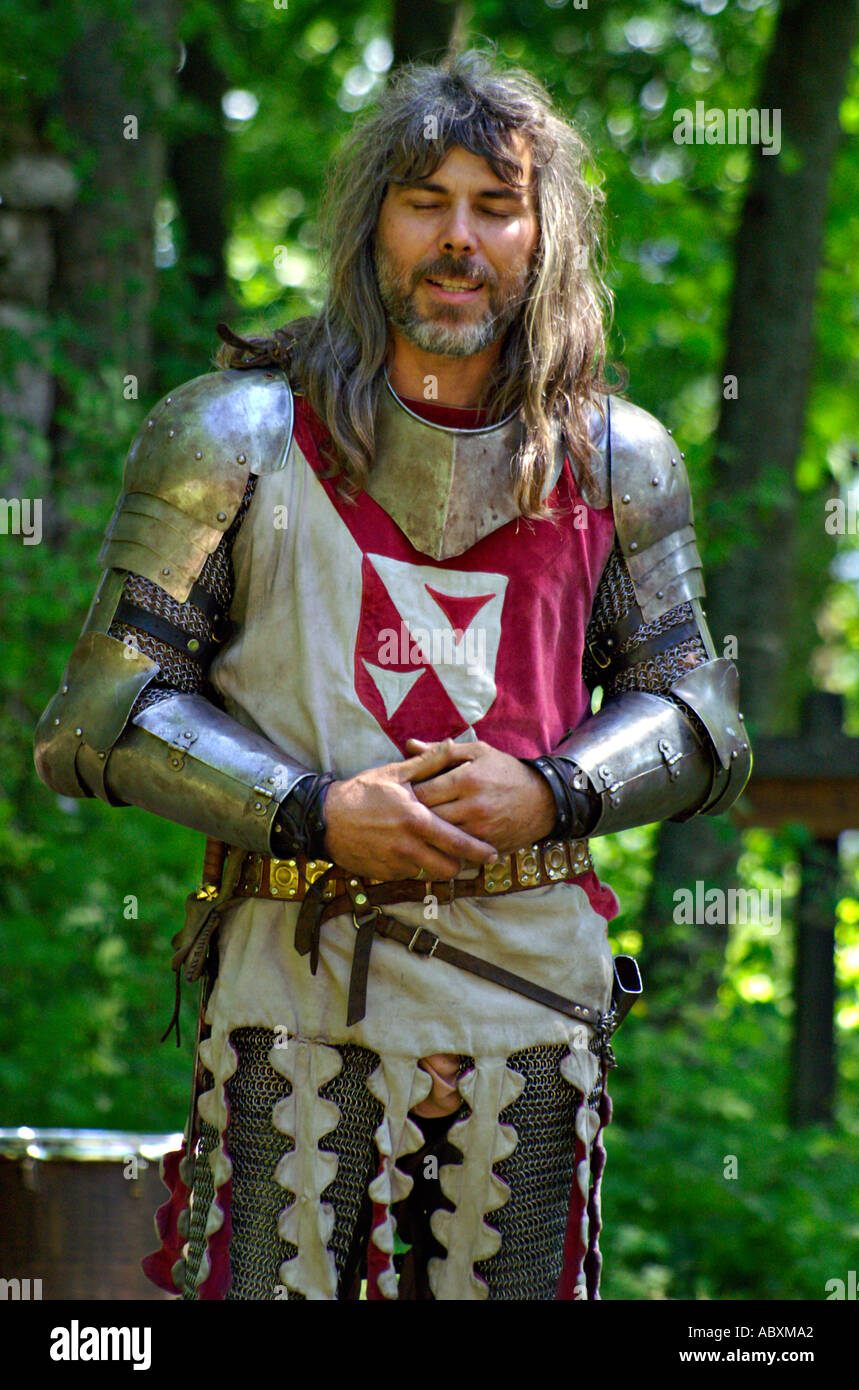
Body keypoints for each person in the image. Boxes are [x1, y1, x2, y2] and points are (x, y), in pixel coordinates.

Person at [34, 49, 752, 1301]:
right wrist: (315, 811)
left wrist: (555, 791)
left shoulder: (612, 461)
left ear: (544, 236)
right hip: (290, 985)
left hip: (524, 999)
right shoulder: (233, 434)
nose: (459, 238)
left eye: (496, 203)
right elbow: (98, 718)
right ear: (372, 222)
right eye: (427, 201)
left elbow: (702, 718)